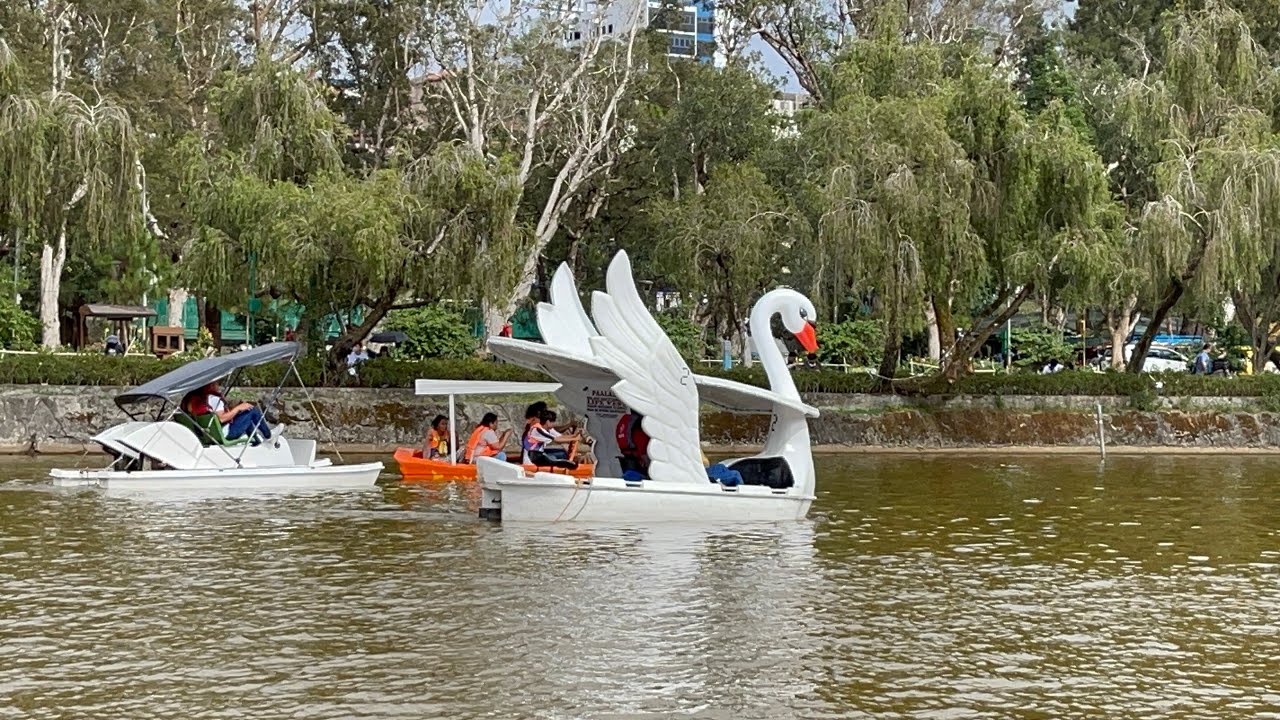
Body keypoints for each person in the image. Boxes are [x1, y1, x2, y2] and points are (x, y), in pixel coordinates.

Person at [184, 381, 271, 443]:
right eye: (217, 383)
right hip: (225, 434)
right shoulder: (213, 399)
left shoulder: (193, 401)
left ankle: (256, 440)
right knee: (253, 411)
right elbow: (222, 418)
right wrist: (238, 408)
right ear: (211, 385)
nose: (218, 386)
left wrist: (237, 410)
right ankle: (269, 436)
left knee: (245, 415)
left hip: (208, 435)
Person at [615, 411, 650, 475]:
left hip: (627, 463)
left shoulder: (626, 427)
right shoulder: (640, 433)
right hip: (638, 465)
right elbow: (643, 452)